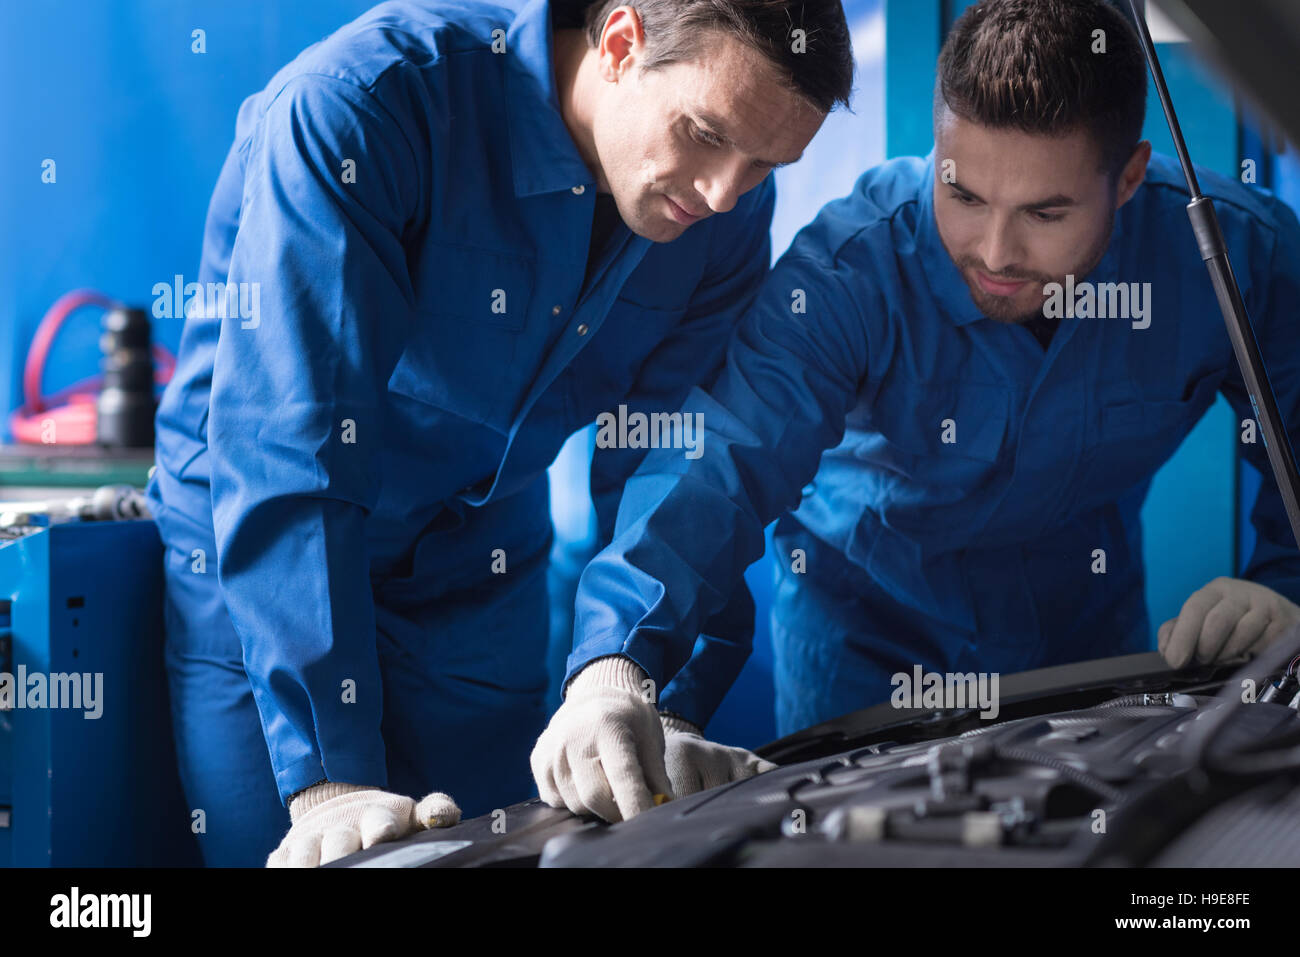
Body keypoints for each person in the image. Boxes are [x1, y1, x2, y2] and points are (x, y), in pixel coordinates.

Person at [531, 0, 1300, 823]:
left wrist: (1289, 593)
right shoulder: (850, 273)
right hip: (863, 658)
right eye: (963, 194)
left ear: (1131, 177)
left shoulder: (1237, 256)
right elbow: (718, 465)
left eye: (1046, 213)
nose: (997, 251)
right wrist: (614, 668)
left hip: (1089, 653)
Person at [145, 0, 852, 866]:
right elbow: (293, 441)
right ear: (622, 43)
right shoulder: (363, 106)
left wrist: (641, 684)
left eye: (763, 164)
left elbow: (678, 458)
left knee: (499, 852)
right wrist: (328, 781)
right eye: (705, 135)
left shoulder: (727, 213)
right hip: (264, 566)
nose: (721, 193)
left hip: (474, 567)